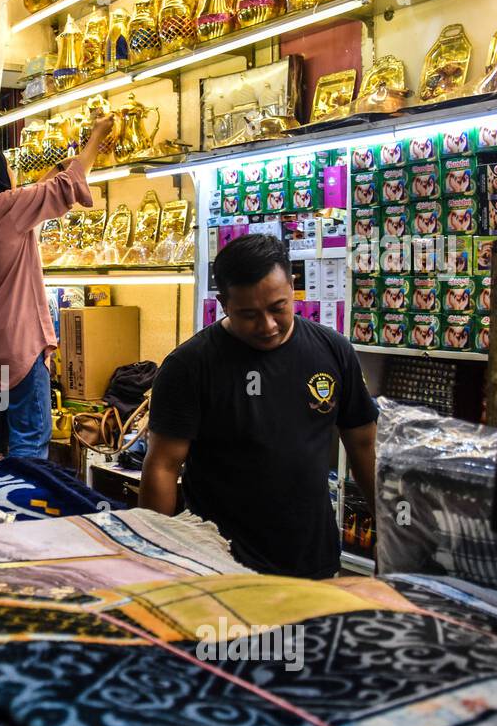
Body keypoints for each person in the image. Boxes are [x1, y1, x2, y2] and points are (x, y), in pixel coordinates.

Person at [138, 233, 378, 578]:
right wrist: (155, 561)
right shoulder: (190, 366)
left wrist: (392, 529)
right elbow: (162, 465)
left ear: (292, 288)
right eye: (248, 314)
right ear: (223, 304)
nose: (267, 326)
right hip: (220, 565)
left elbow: (364, 443)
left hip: (313, 562)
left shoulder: (333, 350)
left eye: (278, 307)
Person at [0, 115, 114, 457]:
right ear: (1, 172)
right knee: (29, 441)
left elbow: (37, 192)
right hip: (21, 349)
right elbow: (67, 186)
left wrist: (56, 166)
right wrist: (96, 138)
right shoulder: (8, 208)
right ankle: (25, 509)